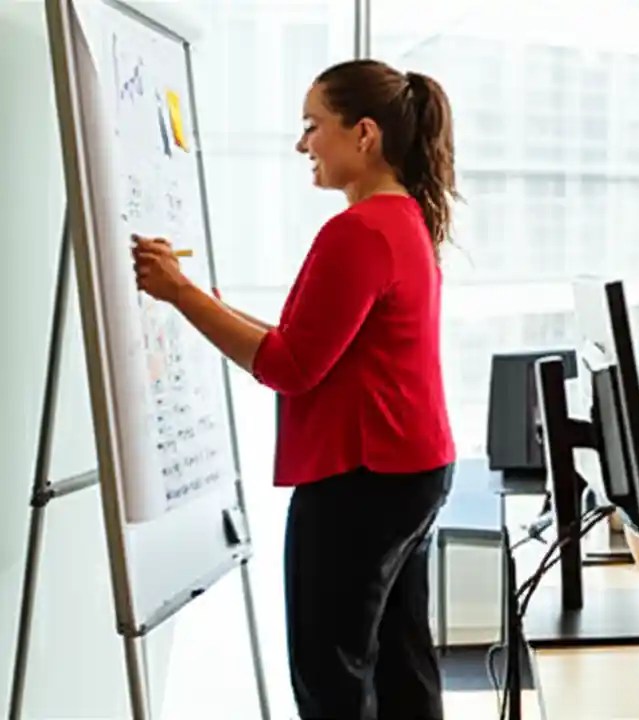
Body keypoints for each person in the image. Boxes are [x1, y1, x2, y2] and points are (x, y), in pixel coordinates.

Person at [131, 59, 458, 720]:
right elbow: (314, 343)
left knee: (330, 675)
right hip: (410, 469)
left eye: (313, 126)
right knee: (400, 664)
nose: (302, 143)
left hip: (363, 478)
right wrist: (200, 303)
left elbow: (290, 365)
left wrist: (182, 295)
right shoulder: (403, 220)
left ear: (363, 134)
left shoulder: (359, 230)